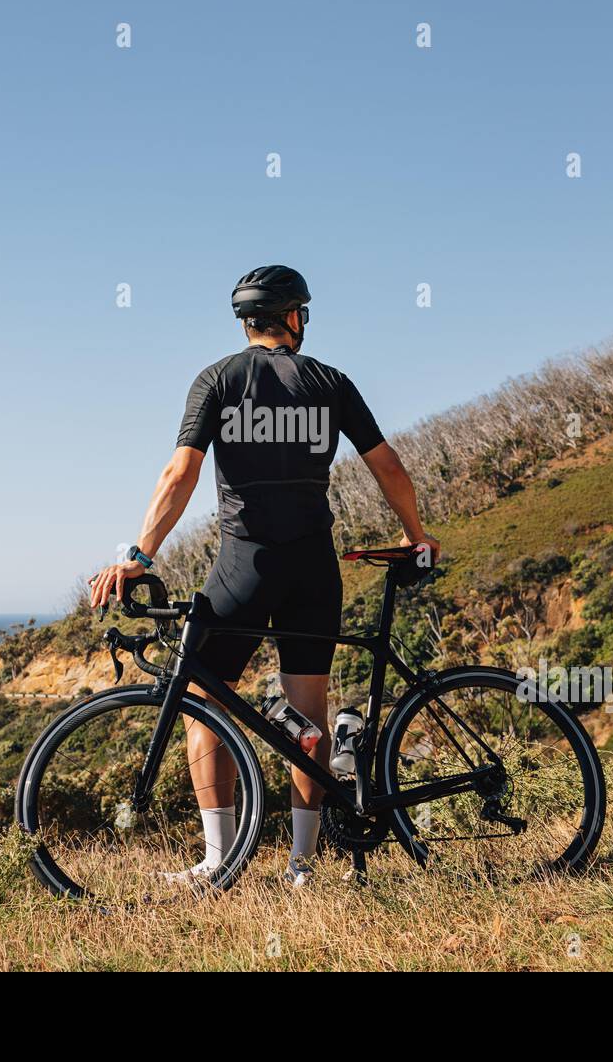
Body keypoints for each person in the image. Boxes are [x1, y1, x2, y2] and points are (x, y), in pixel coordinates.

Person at [87, 265, 438, 886]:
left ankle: (219, 858)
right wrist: (416, 536)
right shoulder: (331, 382)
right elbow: (388, 467)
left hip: (243, 567)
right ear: (295, 318)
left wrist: (139, 554)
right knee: (310, 712)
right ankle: (303, 864)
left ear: (247, 322)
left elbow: (180, 475)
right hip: (313, 567)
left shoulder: (218, 380)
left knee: (204, 704)